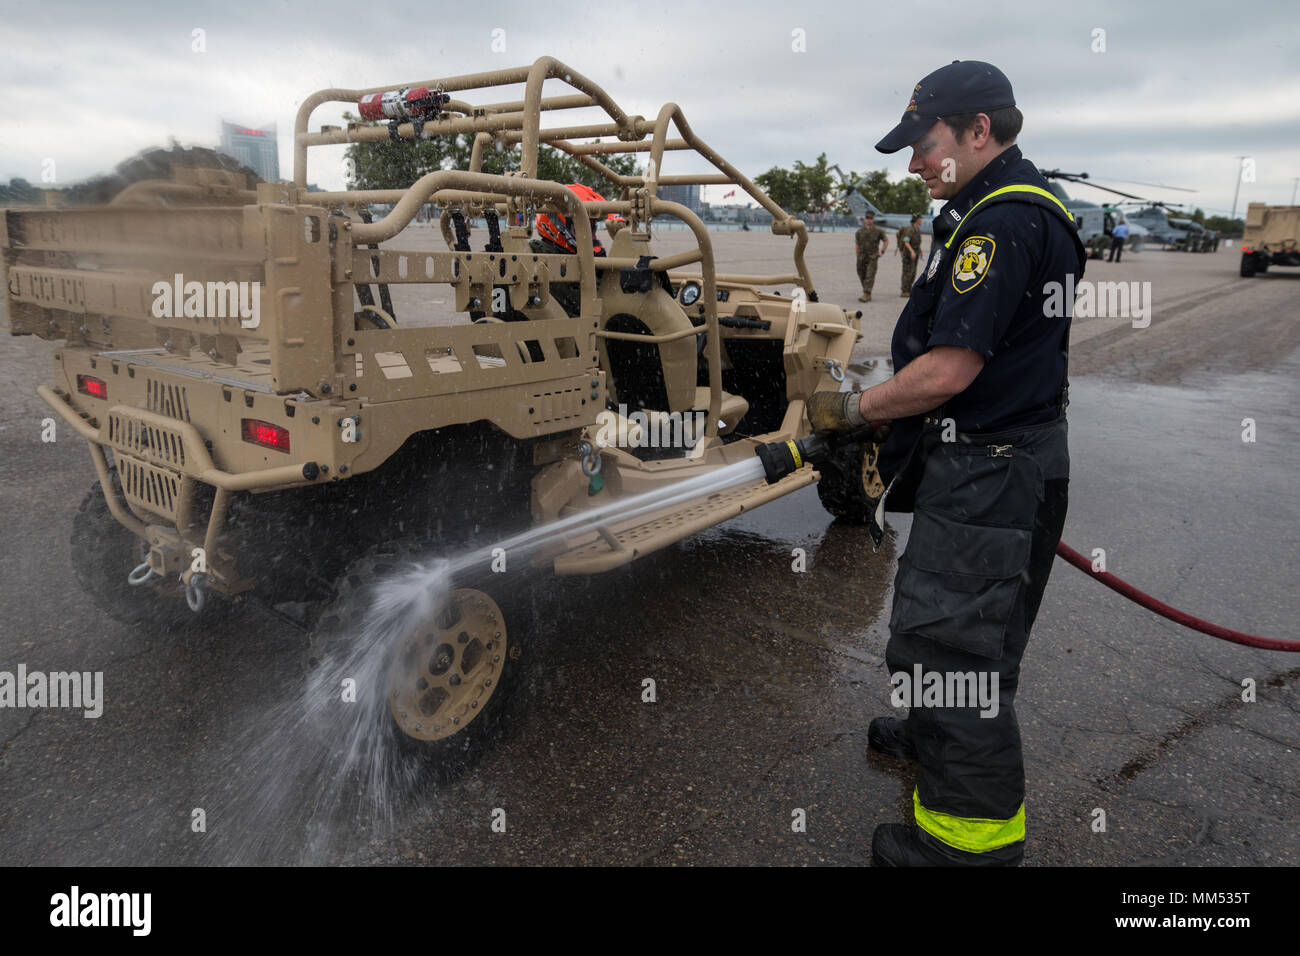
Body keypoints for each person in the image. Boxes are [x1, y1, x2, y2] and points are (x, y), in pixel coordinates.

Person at [806, 60, 1086, 866]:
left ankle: (966, 846)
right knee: (964, 631)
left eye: (925, 146)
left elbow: (949, 371)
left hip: (994, 470)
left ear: (978, 131)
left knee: (952, 650)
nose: (915, 164)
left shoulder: (999, 223)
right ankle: (935, 736)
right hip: (1003, 461)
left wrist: (856, 411)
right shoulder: (996, 207)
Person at [855, 211, 889, 302]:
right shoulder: (859, 231)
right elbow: (857, 244)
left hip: (872, 257)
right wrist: (857, 255)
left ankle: (866, 293)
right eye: (867, 218)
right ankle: (867, 292)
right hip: (861, 257)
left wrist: (882, 251)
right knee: (861, 273)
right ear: (865, 219)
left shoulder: (878, 231)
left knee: (870, 275)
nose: (869, 220)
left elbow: (886, 241)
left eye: (870, 219)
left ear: (873, 220)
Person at [897, 214, 924, 295]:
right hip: (908, 254)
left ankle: (909, 288)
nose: (921, 220)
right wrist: (912, 251)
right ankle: (904, 290)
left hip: (915, 254)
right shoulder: (910, 230)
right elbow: (906, 241)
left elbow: (917, 243)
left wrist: (920, 252)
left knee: (913, 272)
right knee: (907, 272)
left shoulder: (917, 229)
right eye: (920, 219)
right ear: (916, 220)